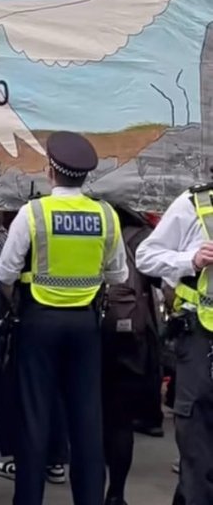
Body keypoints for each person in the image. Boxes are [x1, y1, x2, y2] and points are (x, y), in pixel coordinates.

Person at [0, 131, 128, 505]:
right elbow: (118, 275)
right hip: (85, 325)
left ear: (51, 170)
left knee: (34, 419)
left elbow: (4, 274)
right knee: (87, 420)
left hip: (38, 322)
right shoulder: (105, 214)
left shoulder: (33, 213)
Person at [135, 176, 213, 505]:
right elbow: (146, 257)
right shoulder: (194, 205)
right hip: (200, 337)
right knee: (196, 439)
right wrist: (190, 260)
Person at [100, 208, 157, 505]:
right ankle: (116, 494)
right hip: (131, 337)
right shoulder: (144, 236)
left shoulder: (95, 225)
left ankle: (92, 491)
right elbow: (162, 282)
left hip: (94, 330)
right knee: (121, 422)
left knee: (92, 419)